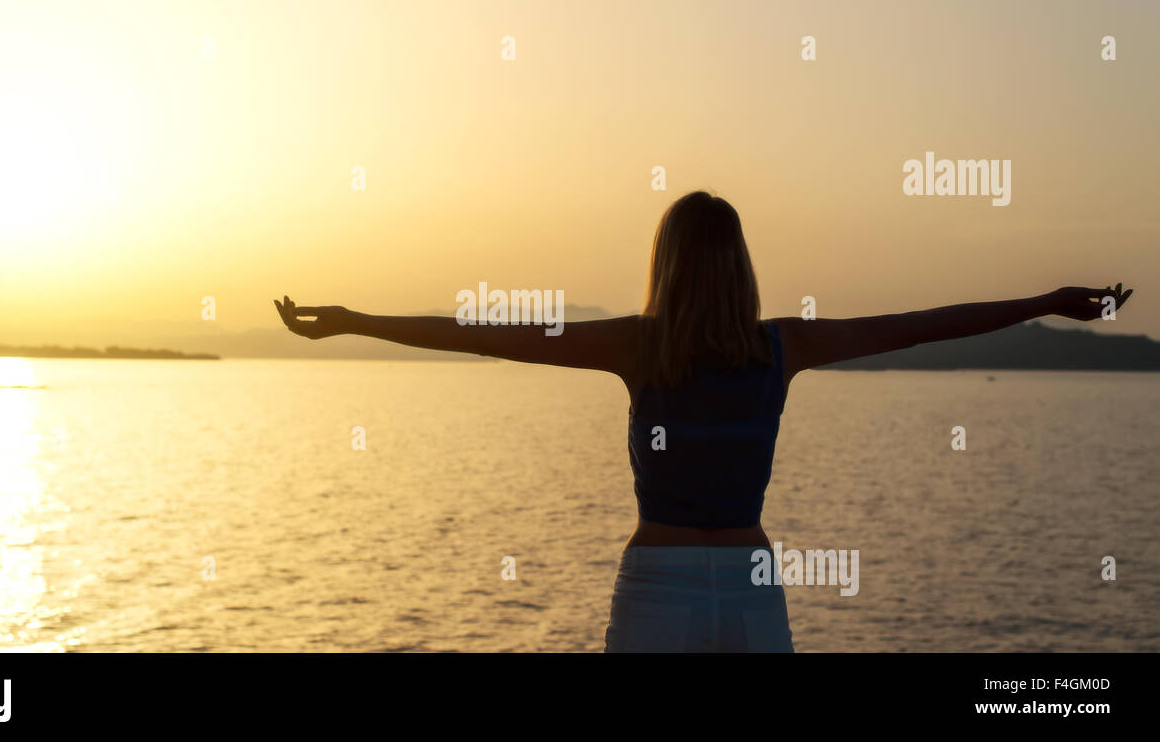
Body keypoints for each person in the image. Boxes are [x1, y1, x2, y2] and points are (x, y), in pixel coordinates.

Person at [273, 189, 1132, 652]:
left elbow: (486, 337)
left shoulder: (638, 349)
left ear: (667, 267)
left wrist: (356, 319)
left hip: (656, 589)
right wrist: (1050, 302)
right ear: (742, 268)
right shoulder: (784, 347)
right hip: (754, 594)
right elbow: (924, 323)